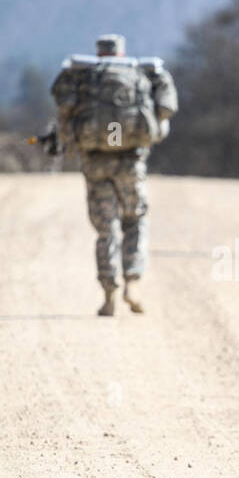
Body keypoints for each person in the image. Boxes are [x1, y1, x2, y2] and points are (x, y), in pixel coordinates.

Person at [51, 34, 177, 315]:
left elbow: (62, 104)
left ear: (98, 52)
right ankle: (133, 281)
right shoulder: (138, 72)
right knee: (134, 220)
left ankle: (109, 294)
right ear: (121, 53)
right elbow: (167, 108)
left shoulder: (83, 76)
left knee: (106, 229)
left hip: (95, 162)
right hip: (130, 161)